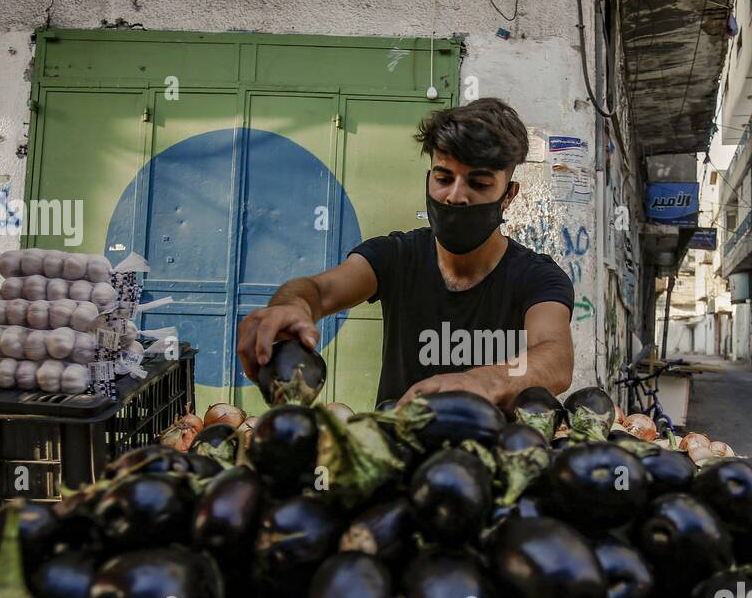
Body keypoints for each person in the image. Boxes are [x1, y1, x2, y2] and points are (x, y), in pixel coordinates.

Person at [237, 97, 575, 410]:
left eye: (480, 183)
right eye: (444, 178)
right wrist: (291, 307)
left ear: (508, 194)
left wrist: (483, 381)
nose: (455, 196)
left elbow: (555, 357)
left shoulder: (537, 277)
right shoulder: (396, 256)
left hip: (494, 461)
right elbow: (319, 290)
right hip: (400, 458)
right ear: (429, 178)